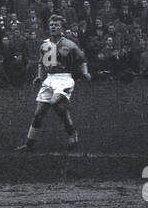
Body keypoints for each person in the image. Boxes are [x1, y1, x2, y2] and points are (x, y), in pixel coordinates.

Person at [15, 14, 91, 150]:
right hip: (49, 79)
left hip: (64, 78)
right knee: (38, 114)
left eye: (56, 25)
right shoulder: (45, 45)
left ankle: (72, 131)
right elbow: (41, 63)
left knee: (55, 101)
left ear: (61, 28)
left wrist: (85, 73)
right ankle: (29, 144)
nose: (53, 27)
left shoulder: (70, 44)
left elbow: (82, 60)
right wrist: (39, 77)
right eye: (51, 25)